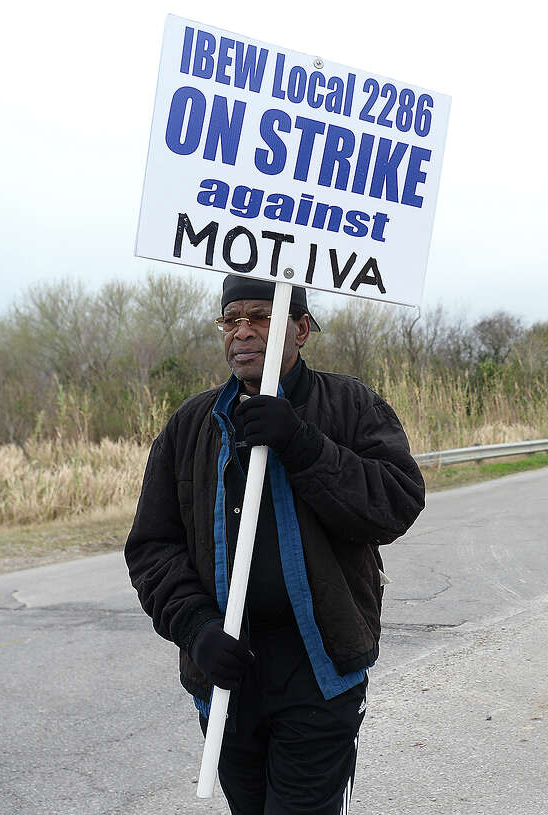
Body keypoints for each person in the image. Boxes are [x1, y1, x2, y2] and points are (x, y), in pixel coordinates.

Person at [126, 274, 425, 814]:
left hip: (318, 667)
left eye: (261, 318)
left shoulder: (350, 405)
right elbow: (151, 547)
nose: (243, 332)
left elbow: (396, 503)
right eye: (232, 320)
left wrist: (301, 444)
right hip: (226, 672)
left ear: (302, 328)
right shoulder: (190, 426)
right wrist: (195, 629)